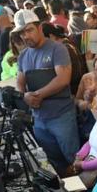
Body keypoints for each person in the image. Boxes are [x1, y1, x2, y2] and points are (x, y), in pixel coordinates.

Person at [16, 9, 80, 174]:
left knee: (74, 160)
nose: (25, 36)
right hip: (39, 119)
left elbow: (63, 78)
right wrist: (25, 96)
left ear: (39, 28)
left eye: (29, 30)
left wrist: (37, 95)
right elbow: (20, 84)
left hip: (61, 116)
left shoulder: (57, 49)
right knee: (52, 163)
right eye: (21, 33)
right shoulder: (23, 56)